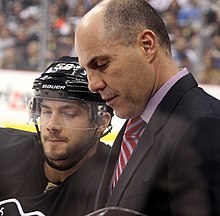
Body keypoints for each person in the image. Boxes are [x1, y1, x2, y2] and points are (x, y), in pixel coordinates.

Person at [75, 0, 220, 215]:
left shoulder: (203, 126)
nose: (92, 84)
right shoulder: (136, 124)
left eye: (102, 64)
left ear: (147, 45)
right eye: (87, 70)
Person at [0, 56, 114, 216]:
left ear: (101, 121)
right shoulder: (5, 150)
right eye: (46, 111)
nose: (52, 125)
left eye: (69, 113)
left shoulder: (115, 181)